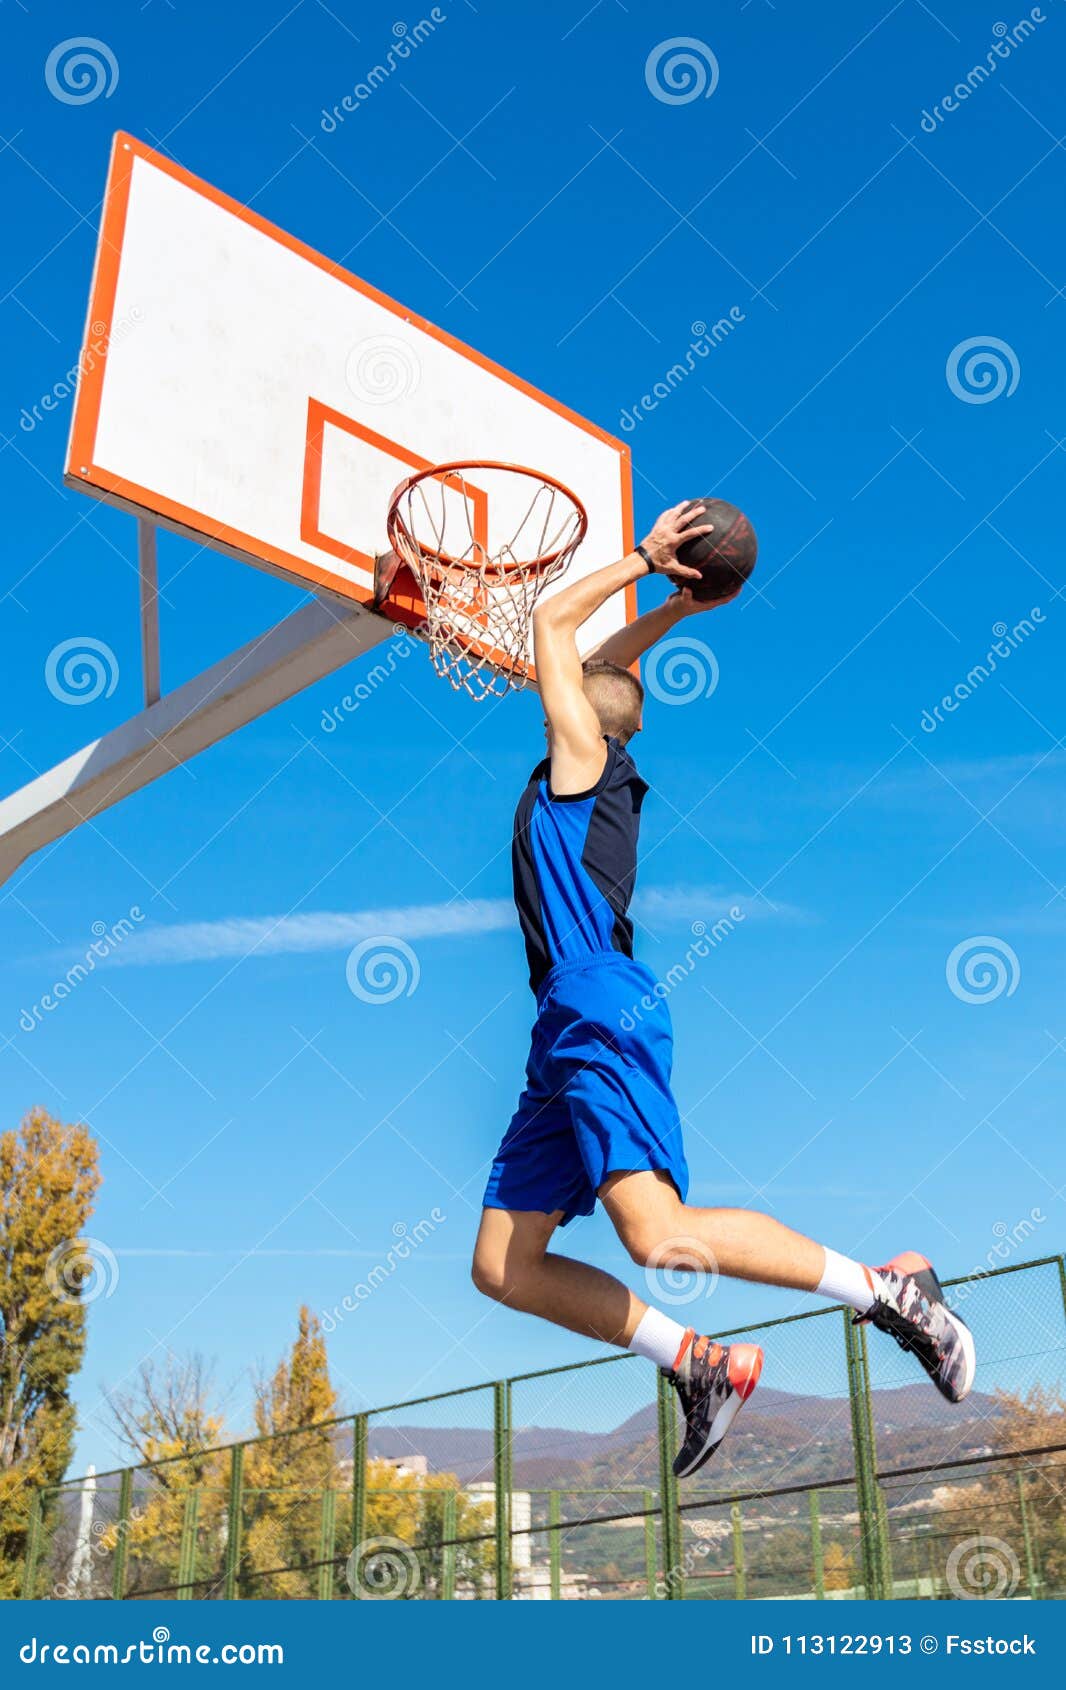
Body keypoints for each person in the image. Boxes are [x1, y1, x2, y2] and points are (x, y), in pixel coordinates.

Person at [472, 502, 975, 1478]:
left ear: (581, 707)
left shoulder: (580, 764)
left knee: (658, 1236)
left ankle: (888, 1291)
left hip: (594, 1003)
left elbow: (552, 630)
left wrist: (644, 558)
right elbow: (596, 657)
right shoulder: (603, 762)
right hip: (564, 1022)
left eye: (577, 684)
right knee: (503, 1265)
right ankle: (694, 1361)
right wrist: (675, 607)